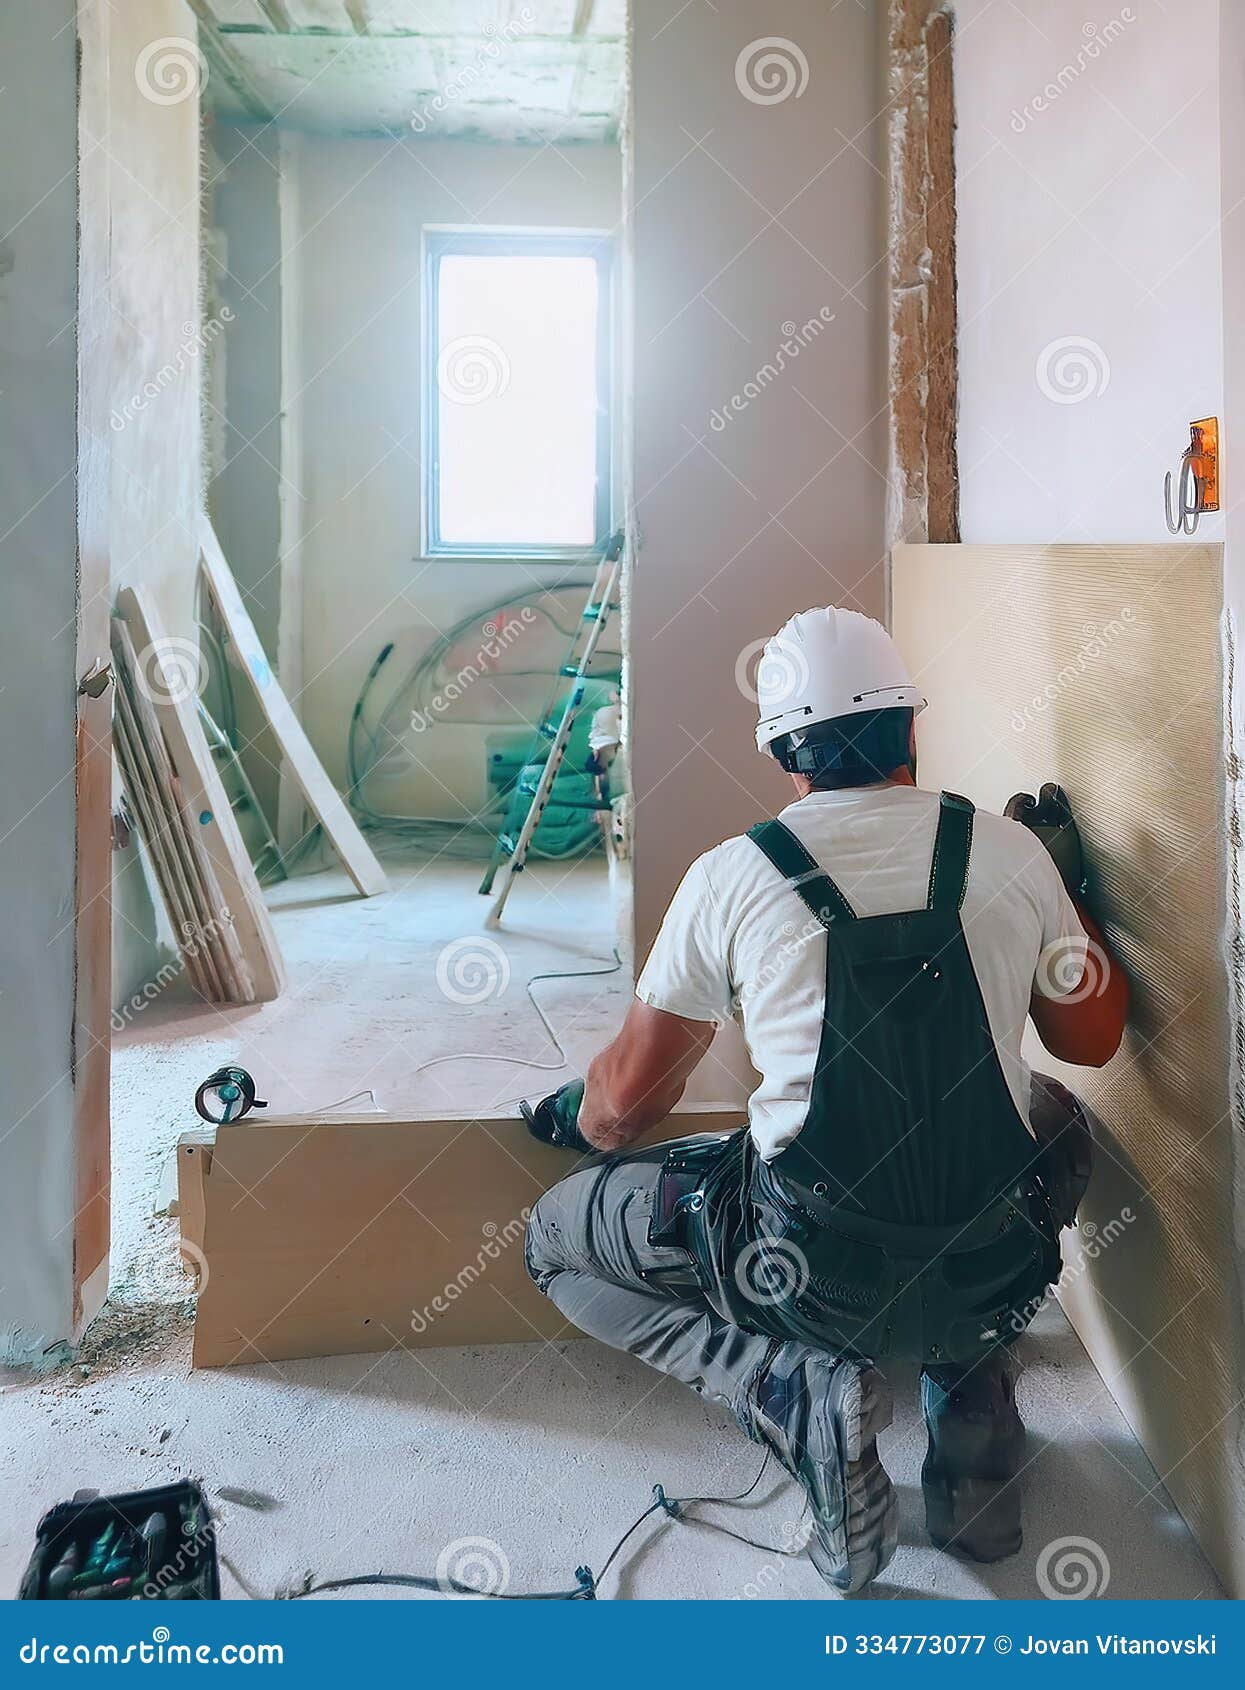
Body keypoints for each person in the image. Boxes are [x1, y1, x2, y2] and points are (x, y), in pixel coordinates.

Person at [523, 606, 1128, 1593]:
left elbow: (619, 1113)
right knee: (1053, 1117)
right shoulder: (1007, 853)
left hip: (806, 1274)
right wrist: (1060, 885)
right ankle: (973, 1421)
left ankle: (791, 1390)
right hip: (988, 1256)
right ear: (911, 735)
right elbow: (1091, 1038)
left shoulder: (733, 875)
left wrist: (574, 1110)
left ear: (783, 757)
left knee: (555, 1237)